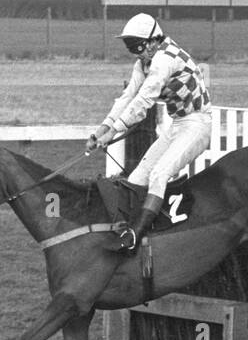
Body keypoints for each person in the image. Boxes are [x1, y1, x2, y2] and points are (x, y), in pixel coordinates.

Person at [86, 13, 212, 252]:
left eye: (138, 46)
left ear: (154, 41)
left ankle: (137, 234)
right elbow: (127, 97)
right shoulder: (143, 64)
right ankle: (129, 228)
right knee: (136, 179)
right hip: (176, 126)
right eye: (130, 48)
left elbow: (144, 101)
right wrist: (101, 130)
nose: (136, 52)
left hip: (197, 125)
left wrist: (111, 134)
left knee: (158, 174)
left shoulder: (165, 59)